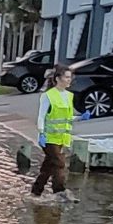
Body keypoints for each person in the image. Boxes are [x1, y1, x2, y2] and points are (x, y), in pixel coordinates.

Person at [32, 64, 77, 199]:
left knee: (49, 166)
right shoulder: (48, 96)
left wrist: (80, 117)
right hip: (48, 138)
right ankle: (59, 192)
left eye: (70, 77)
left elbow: (67, 117)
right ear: (58, 79)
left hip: (61, 137)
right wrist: (41, 134)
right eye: (67, 77)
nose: (69, 80)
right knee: (59, 162)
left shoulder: (69, 96)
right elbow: (41, 116)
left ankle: (36, 191)